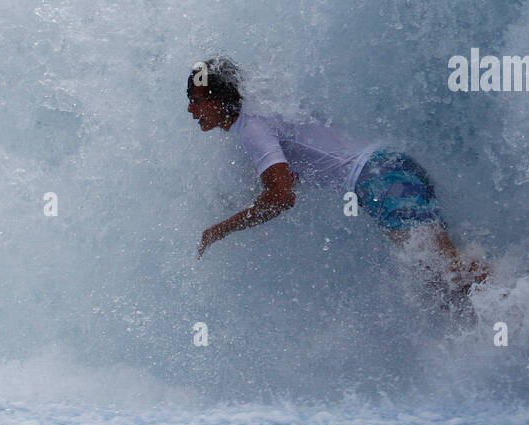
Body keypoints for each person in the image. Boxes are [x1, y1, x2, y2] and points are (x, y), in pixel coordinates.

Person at [186, 57, 488, 306]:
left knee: (452, 275)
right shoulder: (263, 110)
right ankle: (511, 327)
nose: (191, 110)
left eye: (196, 100)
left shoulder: (252, 128)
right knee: (444, 286)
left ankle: (528, 317)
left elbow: (282, 197)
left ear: (218, 99)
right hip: (394, 168)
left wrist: (219, 230)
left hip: (380, 183)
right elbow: (297, 165)